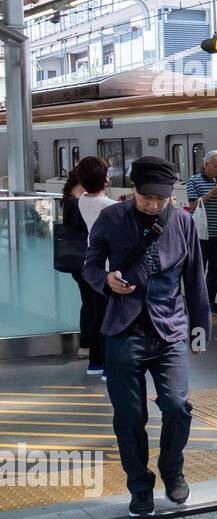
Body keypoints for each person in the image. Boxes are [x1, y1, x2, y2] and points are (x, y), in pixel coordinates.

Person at [84, 157, 210, 517]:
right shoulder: (111, 219)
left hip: (169, 328)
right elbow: (90, 265)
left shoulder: (182, 222)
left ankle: (173, 470)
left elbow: (196, 280)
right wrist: (106, 281)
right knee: (129, 416)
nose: (153, 204)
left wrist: (200, 330)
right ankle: (140, 486)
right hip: (124, 330)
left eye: (160, 198)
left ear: (171, 195)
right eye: (145, 197)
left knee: (177, 406)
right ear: (133, 190)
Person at [71, 157, 113, 377]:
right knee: (110, 317)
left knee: (97, 315)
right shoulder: (109, 207)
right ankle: (108, 366)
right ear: (105, 179)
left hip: (92, 266)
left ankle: (95, 363)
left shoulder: (82, 200)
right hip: (109, 270)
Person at [186, 150, 217, 315]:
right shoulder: (193, 181)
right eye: (215, 166)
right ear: (206, 164)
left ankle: (210, 302)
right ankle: (196, 302)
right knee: (199, 269)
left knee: (216, 269)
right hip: (200, 234)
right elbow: (193, 205)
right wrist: (211, 193)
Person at [58, 169, 94, 366]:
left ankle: (86, 343)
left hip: (80, 260)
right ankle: (86, 344)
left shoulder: (72, 200)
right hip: (82, 259)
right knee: (90, 302)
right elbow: (84, 226)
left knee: (88, 301)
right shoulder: (75, 203)